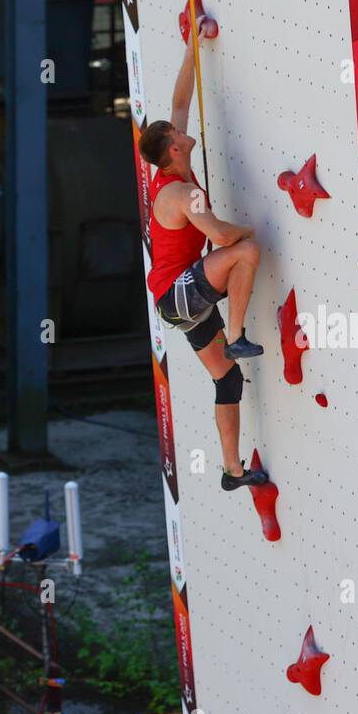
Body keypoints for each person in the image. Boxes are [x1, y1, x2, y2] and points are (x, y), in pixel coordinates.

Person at [139, 33, 267, 491]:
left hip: (174, 299)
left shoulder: (172, 165)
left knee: (227, 381)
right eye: (176, 133)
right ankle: (235, 335)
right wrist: (249, 230)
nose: (182, 128)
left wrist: (192, 41)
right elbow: (223, 237)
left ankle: (233, 471)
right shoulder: (180, 193)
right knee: (246, 251)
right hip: (177, 293)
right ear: (174, 150)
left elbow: (180, 100)